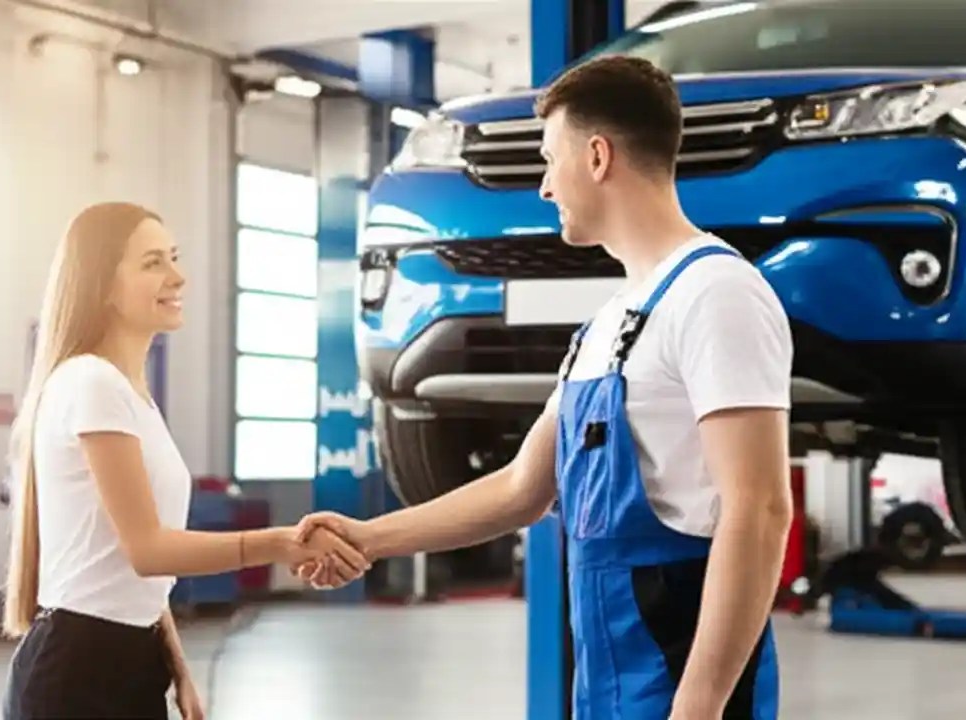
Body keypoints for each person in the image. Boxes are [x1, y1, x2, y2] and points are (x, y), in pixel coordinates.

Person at [296, 56, 793, 720]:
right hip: (612, 682)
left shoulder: (717, 294)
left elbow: (760, 510)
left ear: (597, 156)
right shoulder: (609, 326)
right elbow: (521, 489)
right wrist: (367, 537)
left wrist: (699, 704)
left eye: (549, 160)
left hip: (686, 682)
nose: (544, 187)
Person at [0, 202, 369, 720]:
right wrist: (282, 542)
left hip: (130, 657)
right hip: (77, 671)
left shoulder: (131, 395)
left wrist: (176, 665)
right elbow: (149, 550)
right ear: (102, 285)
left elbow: (138, 576)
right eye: (153, 263)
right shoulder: (91, 382)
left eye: (174, 257)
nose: (178, 276)